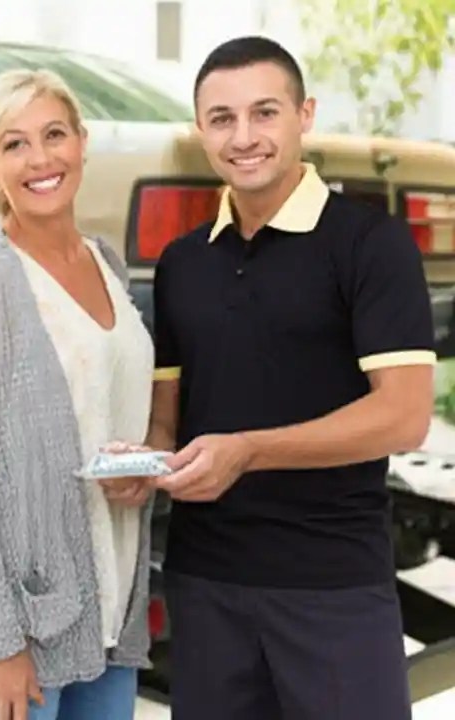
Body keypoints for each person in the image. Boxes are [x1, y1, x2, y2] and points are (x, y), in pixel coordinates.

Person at [147, 35, 433, 719]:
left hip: (331, 588)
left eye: (264, 113)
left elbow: (403, 416)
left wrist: (249, 450)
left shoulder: (370, 245)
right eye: (222, 118)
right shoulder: (181, 262)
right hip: (206, 585)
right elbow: (168, 413)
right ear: (200, 131)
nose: (243, 136)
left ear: (304, 115)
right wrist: (144, 456)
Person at [0, 67, 158, 720]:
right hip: (25, 631)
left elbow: (113, 409)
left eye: (54, 134)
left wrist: (140, 469)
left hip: (110, 613)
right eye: (14, 144)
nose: (40, 159)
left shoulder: (107, 263)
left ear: (82, 142)